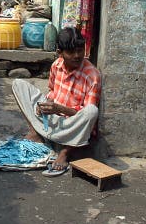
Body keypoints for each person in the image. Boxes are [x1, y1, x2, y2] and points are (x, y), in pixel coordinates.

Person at [11, 27, 101, 176]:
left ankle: (65, 152)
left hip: (71, 128)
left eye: (80, 50)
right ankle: (37, 133)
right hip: (51, 120)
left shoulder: (93, 75)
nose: (77, 56)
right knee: (18, 84)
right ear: (60, 53)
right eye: (71, 52)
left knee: (92, 111)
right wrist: (44, 106)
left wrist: (59, 108)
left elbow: (86, 115)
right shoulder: (56, 66)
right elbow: (52, 92)